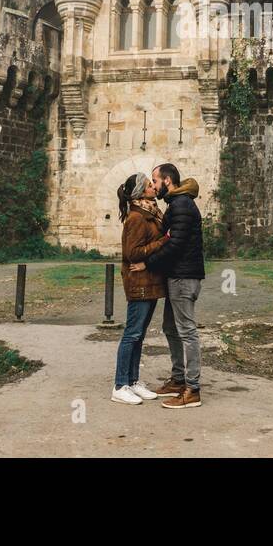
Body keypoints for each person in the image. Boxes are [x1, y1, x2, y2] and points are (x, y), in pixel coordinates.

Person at [131, 162, 205, 409]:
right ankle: (178, 378)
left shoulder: (182, 205)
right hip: (177, 276)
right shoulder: (177, 203)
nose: (153, 185)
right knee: (171, 328)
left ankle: (192, 389)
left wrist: (147, 264)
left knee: (186, 331)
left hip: (184, 278)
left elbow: (175, 245)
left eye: (155, 180)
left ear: (168, 181)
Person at [111, 172, 168, 405]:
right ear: (140, 193)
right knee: (131, 334)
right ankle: (120, 385)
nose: (154, 188)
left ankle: (133, 381)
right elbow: (132, 253)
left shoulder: (149, 212)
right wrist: (163, 241)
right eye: (149, 185)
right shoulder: (136, 217)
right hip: (139, 283)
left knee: (139, 335)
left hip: (150, 281)